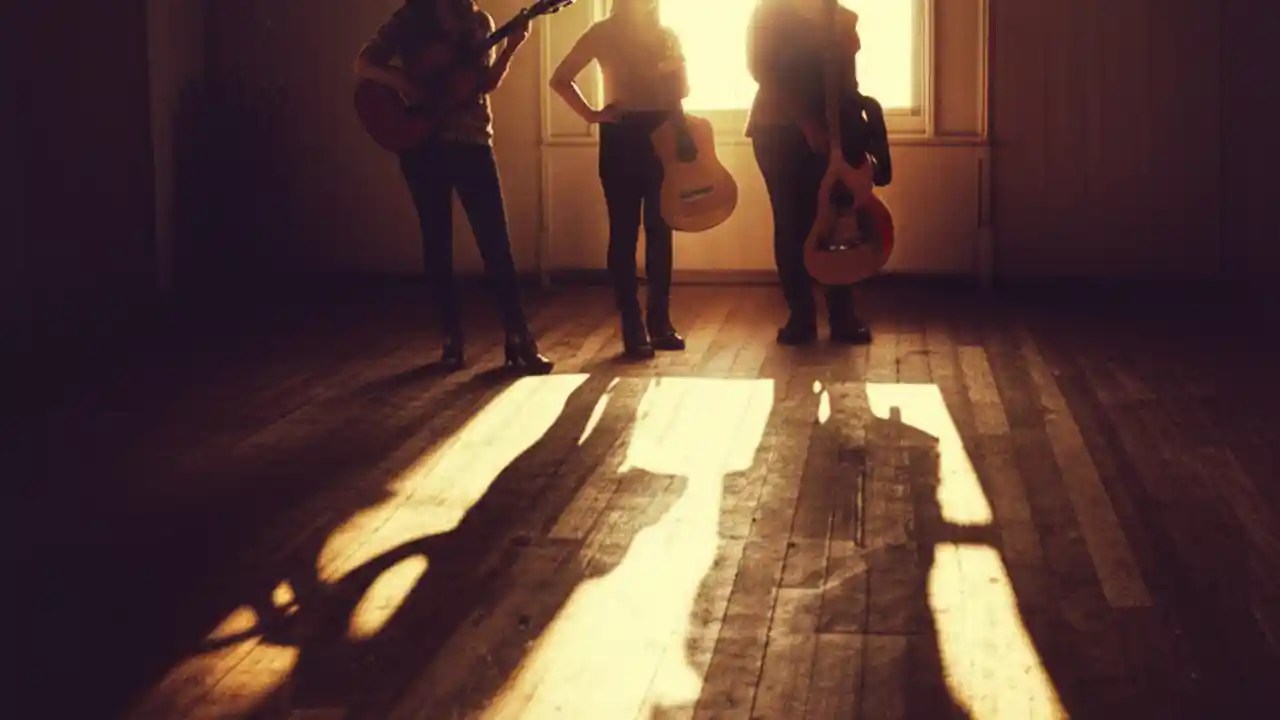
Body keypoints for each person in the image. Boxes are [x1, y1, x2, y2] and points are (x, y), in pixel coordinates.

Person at [355, 0, 554, 373]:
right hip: (421, 143)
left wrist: (511, 47)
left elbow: (485, 84)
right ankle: (451, 338)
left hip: (472, 141)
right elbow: (363, 63)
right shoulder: (410, 18)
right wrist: (402, 81)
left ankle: (518, 338)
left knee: (496, 244)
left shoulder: (479, 22)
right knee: (437, 242)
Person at [549, 0, 687, 359]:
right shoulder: (603, 32)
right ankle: (632, 323)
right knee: (624, 230)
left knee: (661, 227)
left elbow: (680, 93)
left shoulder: (666, 35)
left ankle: (660, 321)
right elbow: (560, 78)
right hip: (623, 135)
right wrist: (592, 115)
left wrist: (677, 82)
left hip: (663, 134)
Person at [747, 0, 872, 345]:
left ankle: (842, 316)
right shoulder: (768, 12)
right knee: (791, 224)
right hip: (776, 132)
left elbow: (849, 81)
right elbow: (762, 71)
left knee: (837, 220)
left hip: (832, 133)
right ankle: (800, 316)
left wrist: (852, 130)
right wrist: (806, 124)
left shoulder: (841, 17)